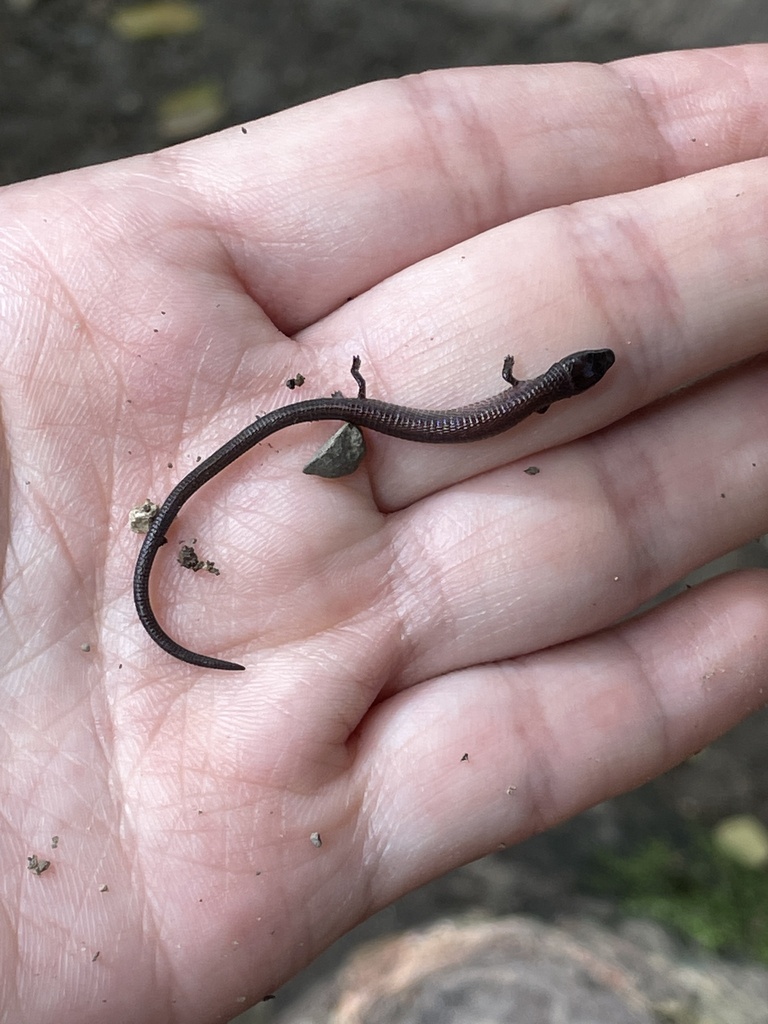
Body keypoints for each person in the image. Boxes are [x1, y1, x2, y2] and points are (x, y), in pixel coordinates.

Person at [2, 42, 768, 1024]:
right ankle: (187, 538)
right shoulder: (533, 396)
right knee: (325, 417)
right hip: (383, 413)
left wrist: (454, 391)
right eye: (583, 373)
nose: (584, 373)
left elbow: (514, 392)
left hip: (392, 412)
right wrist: (406, 398)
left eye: (580, 374)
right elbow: (513, 396)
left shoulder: (533, 392)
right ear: (566, 384)